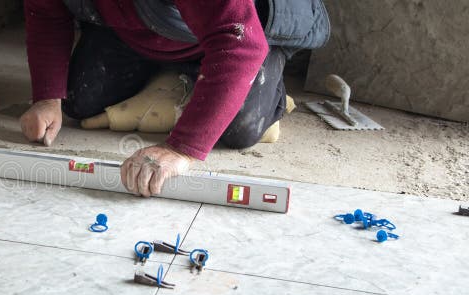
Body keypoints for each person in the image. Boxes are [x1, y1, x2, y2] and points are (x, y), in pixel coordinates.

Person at [19, 0, 329, 197]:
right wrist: (47, 96)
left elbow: (239, 43)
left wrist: (181, 149)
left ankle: (263, 64)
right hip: (138, 25)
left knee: (239, 129)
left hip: (242, 30)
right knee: (80, 101)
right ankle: (170, 68)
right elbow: (45, 12)